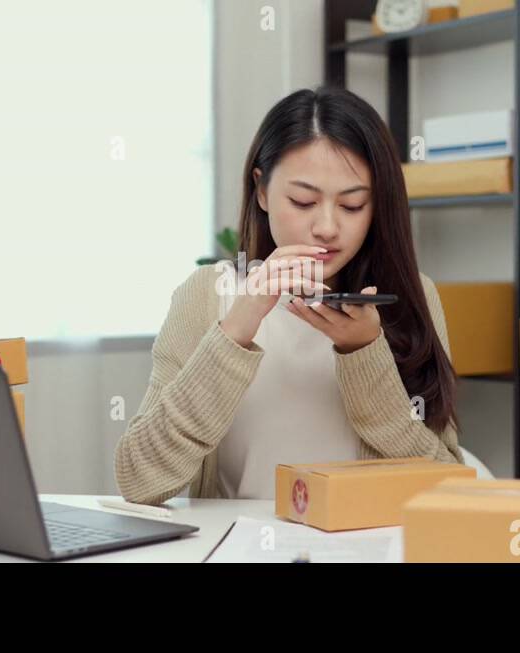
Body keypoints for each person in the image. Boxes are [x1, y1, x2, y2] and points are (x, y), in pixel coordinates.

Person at [115, 86, 461, 505]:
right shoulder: (208, 295)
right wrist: (234, 332)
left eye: (352, 205)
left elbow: (447, 487)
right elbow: (138, 481)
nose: (328, 227)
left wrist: (365, 353)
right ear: (261, 190)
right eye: (303, 201)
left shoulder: (411, 296)